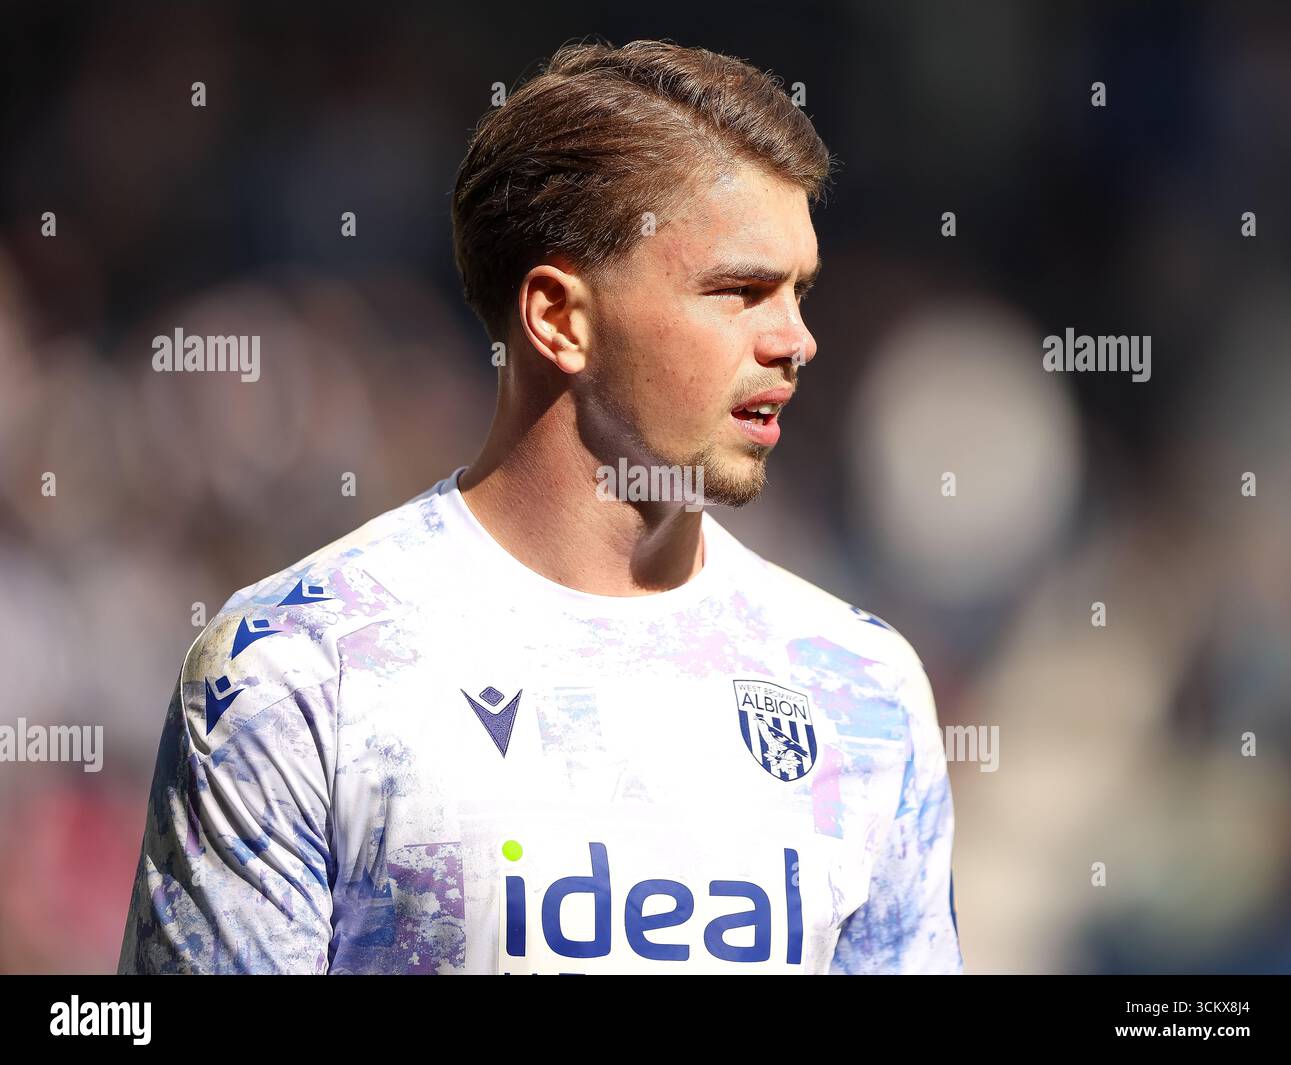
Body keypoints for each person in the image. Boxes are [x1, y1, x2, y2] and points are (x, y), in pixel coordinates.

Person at [117, 38, 962, 974]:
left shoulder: (861, 686)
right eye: (740, 291)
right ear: (559, 318)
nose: (795, 339)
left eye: (799, 291)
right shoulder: (297, 671)